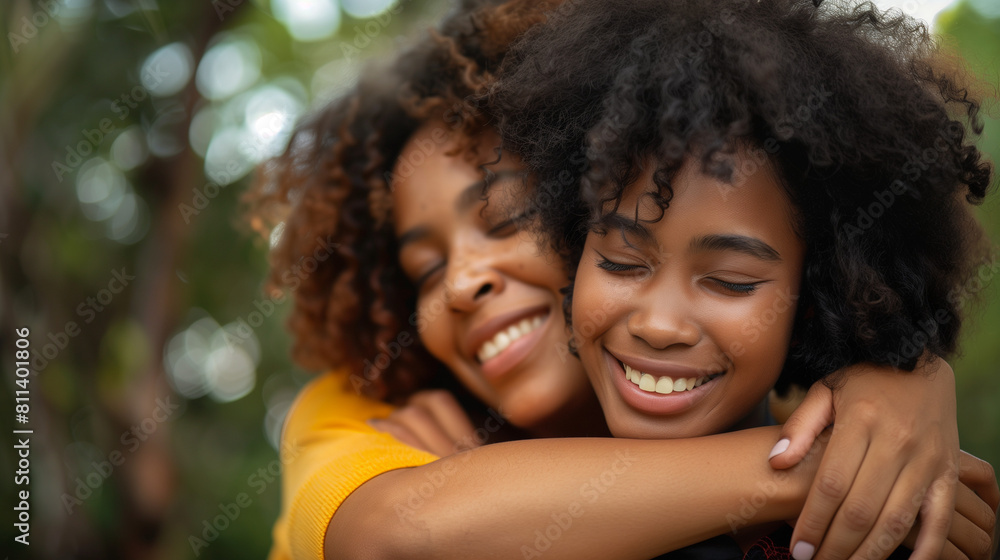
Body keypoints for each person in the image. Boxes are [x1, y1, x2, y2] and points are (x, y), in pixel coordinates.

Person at [245, 1, 998, 559]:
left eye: (508, 219)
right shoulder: (375, 412)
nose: (466, 279)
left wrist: (904, 375)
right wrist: (822, 469)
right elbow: (393, 536)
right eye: (424, 269)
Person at [491, 0, 1000, 558]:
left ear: (820, 299)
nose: (659, 326)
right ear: (573, 255)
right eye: (620, 262)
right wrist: (807, 465)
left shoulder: (894, 525)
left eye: (731, 282)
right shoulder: (464, 456)